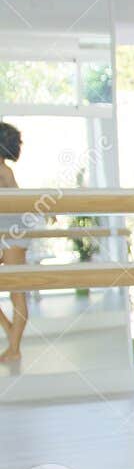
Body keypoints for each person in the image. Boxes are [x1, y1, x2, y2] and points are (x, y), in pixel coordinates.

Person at [0, 122, 30, 362]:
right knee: (14, 291)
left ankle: (14, 348)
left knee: (16, 291)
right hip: (5, 233)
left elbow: (20, 201)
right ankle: (11, 335)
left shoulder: (4, 171)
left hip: (13, 233)